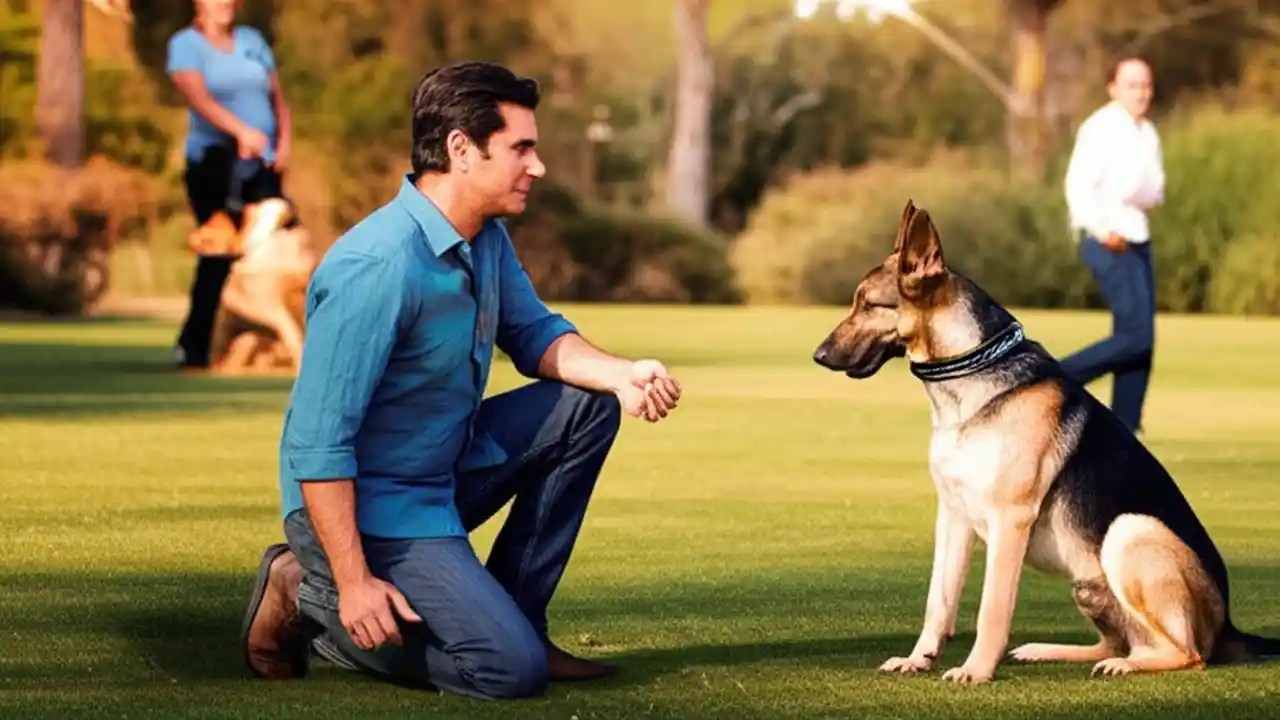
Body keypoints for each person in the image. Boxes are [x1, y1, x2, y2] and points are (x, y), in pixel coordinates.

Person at [238, 61, 683, 700]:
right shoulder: (377, 267)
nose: (538, 166)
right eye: (521, 149)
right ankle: (308, 592)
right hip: (369, 508)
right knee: (507, 672)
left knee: (589, 407)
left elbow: (533, 333)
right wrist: (354, 578)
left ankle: (521, 618)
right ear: (460, 150)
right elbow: (317, 444)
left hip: (444, 472)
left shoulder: (487, 238)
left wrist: (622, 375)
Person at [166, 0, 293, 369]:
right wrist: (240, 131)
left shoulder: (252, 40)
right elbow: (197, 97)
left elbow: (276, 97)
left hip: (263, 164)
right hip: (215, 163)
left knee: (274, 251)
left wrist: (283, 142)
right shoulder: (186, 45)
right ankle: (195, 344)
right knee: (219, 254)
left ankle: (271, 342)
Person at [1060, 57, 1165, 434]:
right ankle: (1059, 376)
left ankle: (1127, 427)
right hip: (1106, 238)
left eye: (1146, 85)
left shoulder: (1147, 132)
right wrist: (1101, 228)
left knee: (1141, 340)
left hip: (1137, 236)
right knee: (1136, 336)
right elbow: (1078, 186)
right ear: (1113, 88)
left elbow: (1152, 190)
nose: (1141, 93)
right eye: (1133, 85)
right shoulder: (1101, 128)